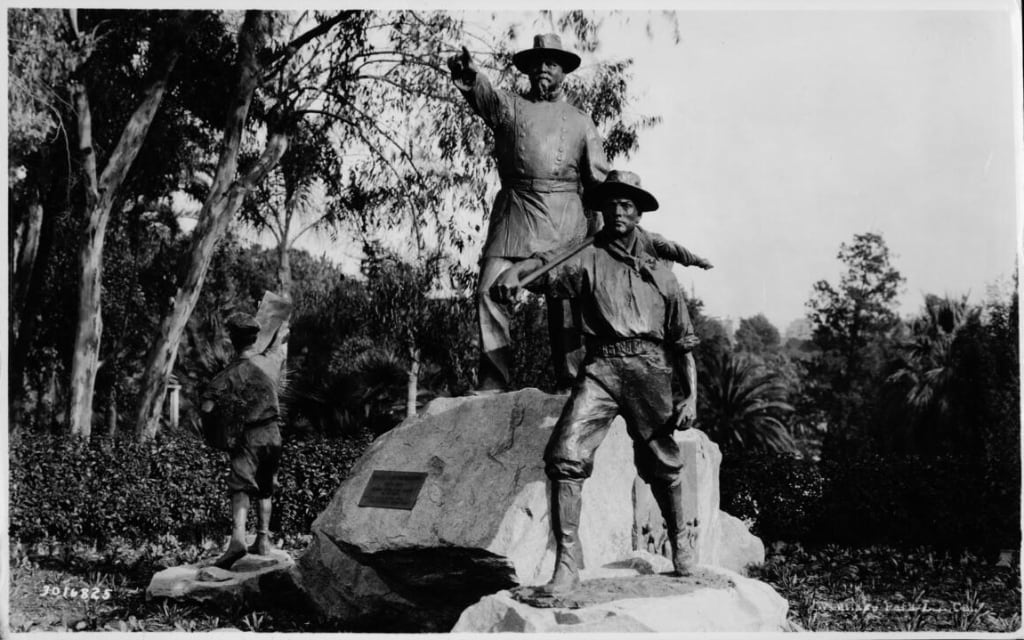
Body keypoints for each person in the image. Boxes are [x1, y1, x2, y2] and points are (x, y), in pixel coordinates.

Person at [449, 35, 712, 392]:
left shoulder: (580, 122)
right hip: (514, 214)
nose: (543, 69)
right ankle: (494, 379)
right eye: (537, 63)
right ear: (527, 70)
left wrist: (608, 225)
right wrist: (471, 76)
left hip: (565, 219)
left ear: (563, 72)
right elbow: (485, 96)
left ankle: (570, 381)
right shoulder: (508, 107)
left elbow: (599, 180)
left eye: (551, 63)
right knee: (489, 291)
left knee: (567, 305)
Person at [491, 170, 700, 593]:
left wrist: (691, 397)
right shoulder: (585, 257)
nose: (618, 211)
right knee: (564, 455)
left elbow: (684, 345)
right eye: (611, 204)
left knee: (662, 464)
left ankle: (682, 542)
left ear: (639, 213)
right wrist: (513, 277)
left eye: (627, 205)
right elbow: (544, 268)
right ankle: (566, 564)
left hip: (651, 369)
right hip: (602, 368)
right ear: (601, 210)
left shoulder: (664, 276)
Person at [200, 313, 283, 570]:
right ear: (255, 338)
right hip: (274, 433)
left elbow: (207, 407)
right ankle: (263, 539)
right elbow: (277, 344)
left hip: (249, 436)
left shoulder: (229, 375)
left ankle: (237, 540)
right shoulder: (272, 363)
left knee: (241, 486)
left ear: (232, 340)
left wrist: (219, 428)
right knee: (266, 485)